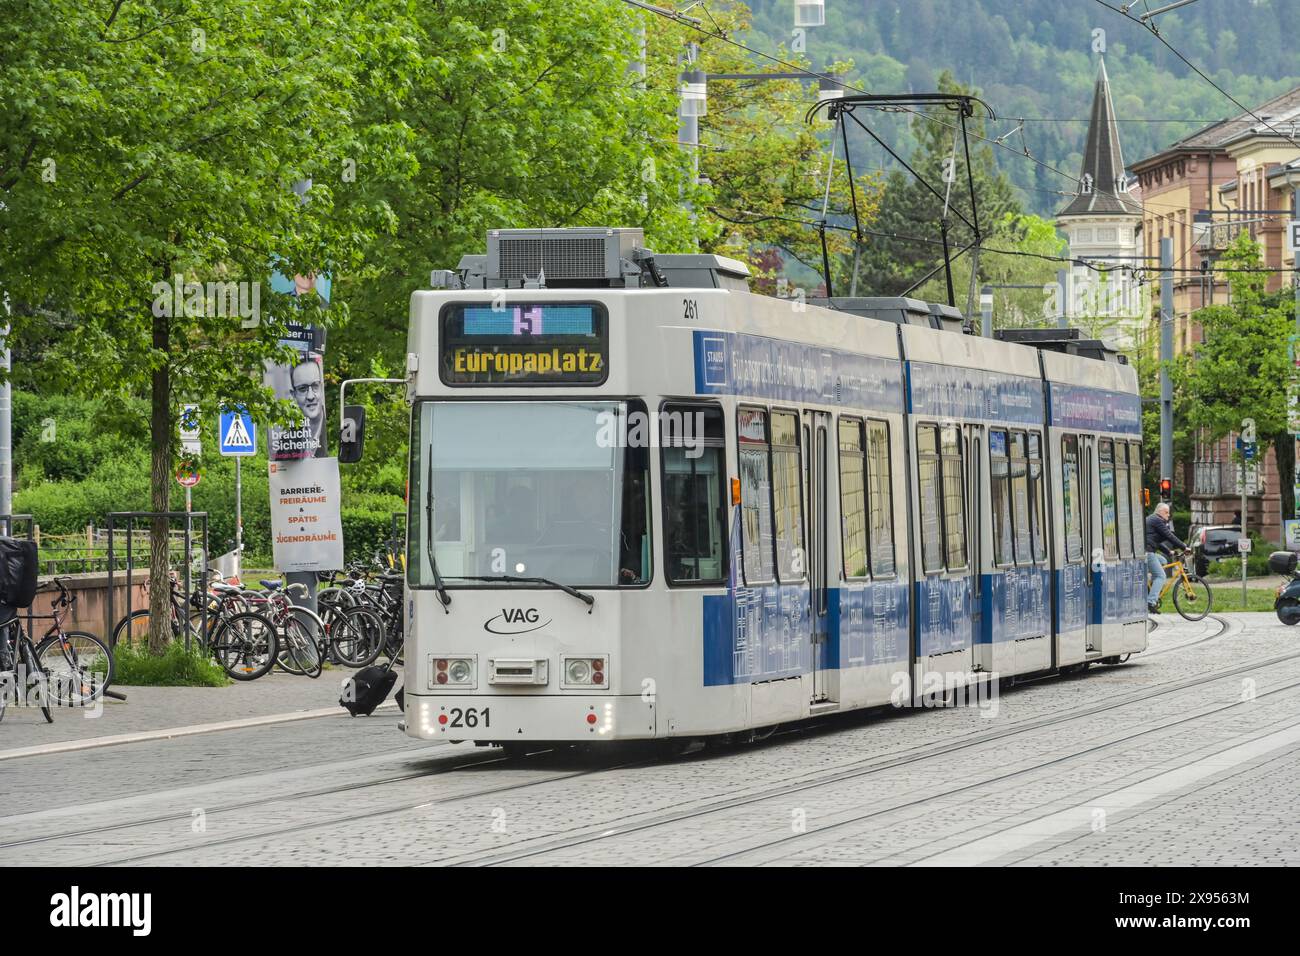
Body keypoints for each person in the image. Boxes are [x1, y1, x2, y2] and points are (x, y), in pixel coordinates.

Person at [1145, 502, 1187, 614]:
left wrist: (1169, 552)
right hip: (1147, 553)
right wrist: (1184, 547)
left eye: (1169, 512)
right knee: (1161, 576)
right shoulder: (1157, 520)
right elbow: (1169, 536)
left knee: (1163, 561)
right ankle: (1151, 602)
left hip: (1148, 551)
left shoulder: (1153, 520)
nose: (1168, 515)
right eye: (1166, 512)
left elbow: (1156, 542)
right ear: (1159, 512)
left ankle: (1151, 584)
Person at [288, 358, 325, 456]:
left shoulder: (336, 429)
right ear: (293, 395)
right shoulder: (286, 443)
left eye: (315, 386)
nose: (310, 396)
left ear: (322, 387)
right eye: (302, 389)